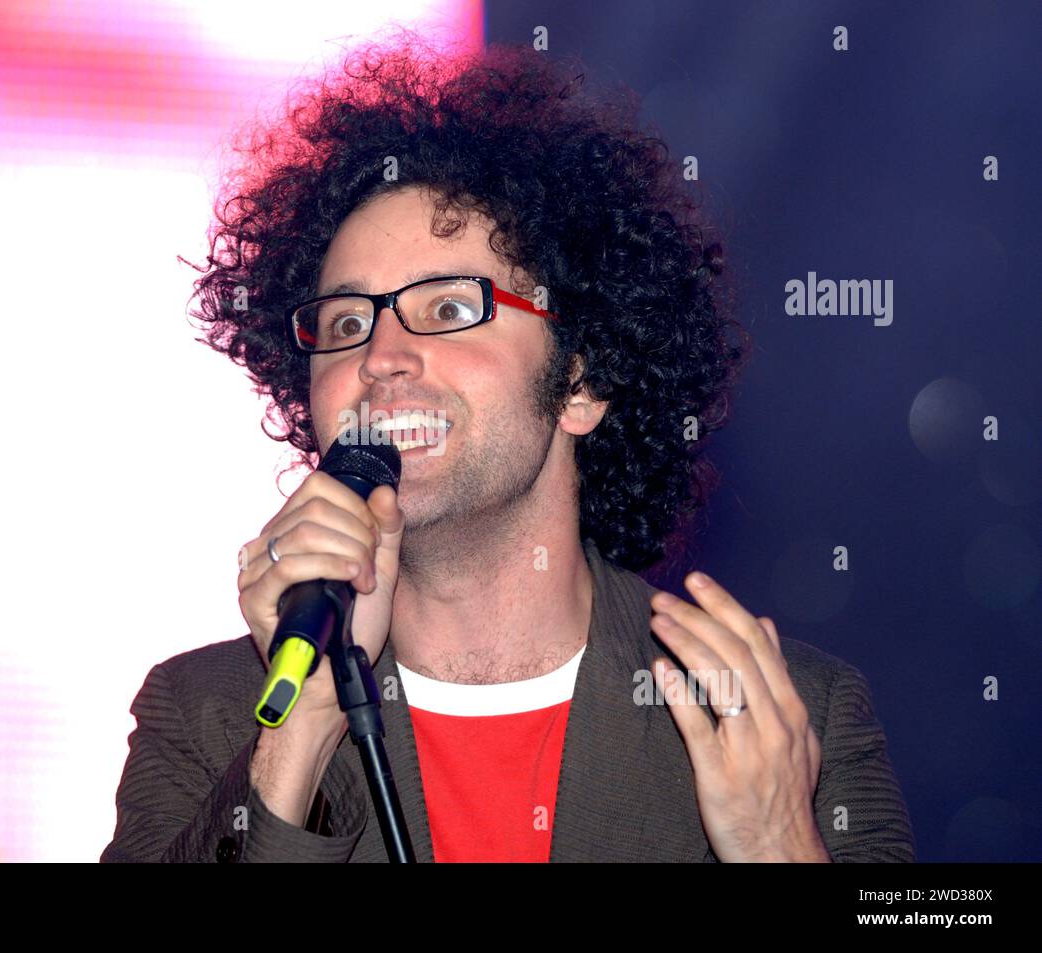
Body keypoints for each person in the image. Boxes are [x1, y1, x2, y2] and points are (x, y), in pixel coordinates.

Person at [100, 31, 915, 863]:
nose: (379, 356)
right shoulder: (204, 710)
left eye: (451, 309)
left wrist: (781, 847)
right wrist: (303, 729)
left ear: (580, 385)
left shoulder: (788, 714)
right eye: (347, 323)